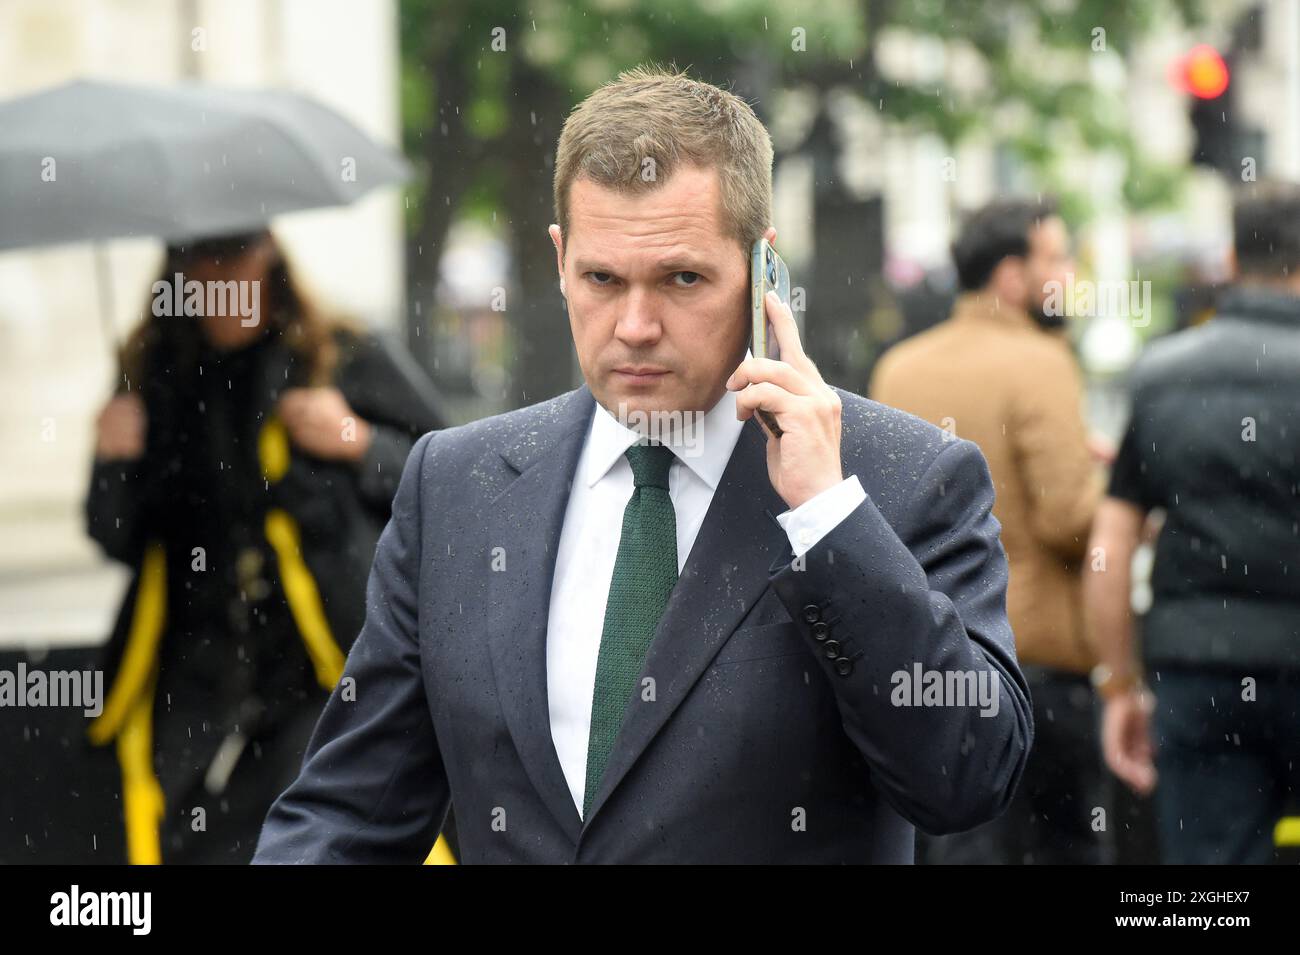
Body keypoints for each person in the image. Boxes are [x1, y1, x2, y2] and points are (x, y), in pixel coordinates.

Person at [253, 65, 1032, 865]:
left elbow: (965, 776)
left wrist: (829, 519)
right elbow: (350, 810)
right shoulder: (457, 484)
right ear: (560, 259)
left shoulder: (903, 478)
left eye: (682, 278)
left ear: (766, 271)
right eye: (601, 279)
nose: (634, 325)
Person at [86, 229, 447, 863]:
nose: (220, 276)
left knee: (330, 827)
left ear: (270, 259)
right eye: (201, 259)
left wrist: (359, 441)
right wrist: (113, 461)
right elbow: (114, 538)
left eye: (237, 256)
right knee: (178, 840)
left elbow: (448, 477)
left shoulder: (342, 354)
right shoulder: (153, 377)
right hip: (195, 671)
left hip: (322, 663)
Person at [871, 198, 1110, 864]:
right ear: (1011, 276)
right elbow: (1066, 518)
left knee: (959, 848)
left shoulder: (901, 366)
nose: (1068, 273)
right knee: (1062, 845)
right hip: (1036, 661)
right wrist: (1116, 498)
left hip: (931, 654)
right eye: (1056, 258)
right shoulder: (1041, 361)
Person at [1084, 183, 1300, 864]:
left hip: (1198, 672)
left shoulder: (1163, 374)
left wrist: (1118, 683)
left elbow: (1111, 546)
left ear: (1233, 258)